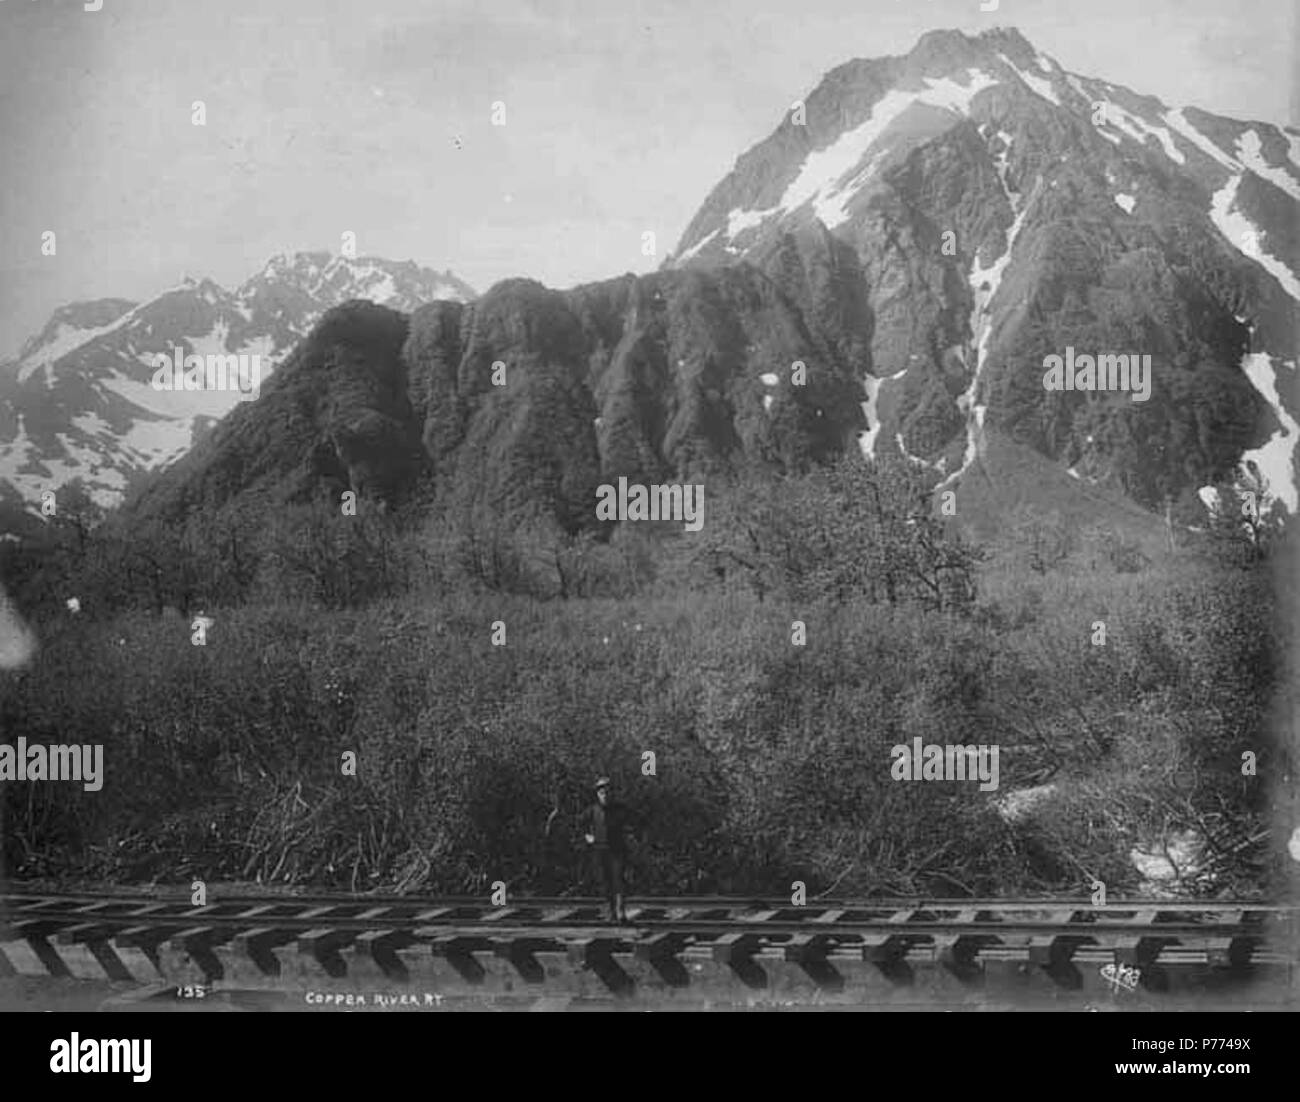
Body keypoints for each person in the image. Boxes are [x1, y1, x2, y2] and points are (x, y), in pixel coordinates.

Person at [581, 776, 633, 923]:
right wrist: (587, 836)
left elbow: (636, 821)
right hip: (600, 850)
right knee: (605, 882)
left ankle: (621, 911)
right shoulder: (592, 810)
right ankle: (611, 912)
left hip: (617, 850)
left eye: (607, 792)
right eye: (602, 792)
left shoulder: (620, 809)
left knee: (619, 880)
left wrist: (630, 836)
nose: (605, 795)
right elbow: (580, 824)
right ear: (598, 794)